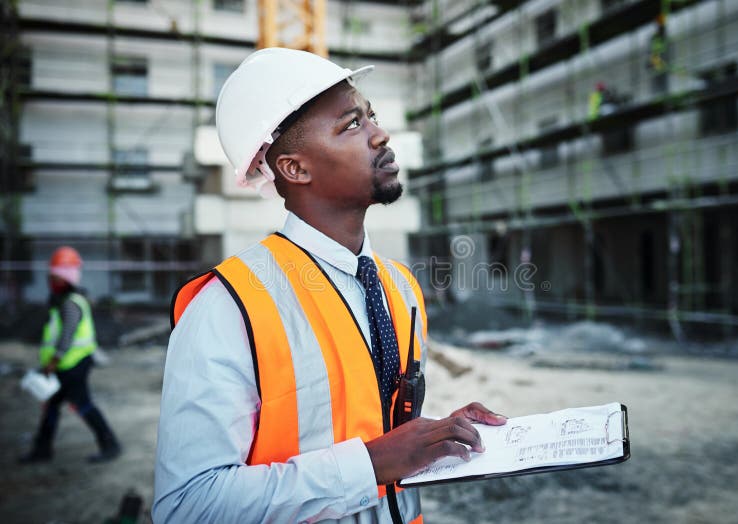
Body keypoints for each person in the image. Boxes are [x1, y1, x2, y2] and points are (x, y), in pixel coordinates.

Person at [153, 48, 507, 523]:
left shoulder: (399, 286)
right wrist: (371, 464)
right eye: (352, 124)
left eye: (371, 116)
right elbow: (187, 506)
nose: (380, 134)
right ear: (295, 168)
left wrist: (436, 436)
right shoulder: (229, 308)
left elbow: (374, 422)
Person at [19, 246, 121, 464]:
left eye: (54, 277)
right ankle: (42, 449)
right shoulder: (63, 302)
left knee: (82, 405)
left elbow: (67, 335)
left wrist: (53, 361)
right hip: (65, 365)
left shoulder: (70, 304)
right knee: (52, 407)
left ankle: (110, 444)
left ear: (65, 278)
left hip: (73, 366)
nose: (50, 281)